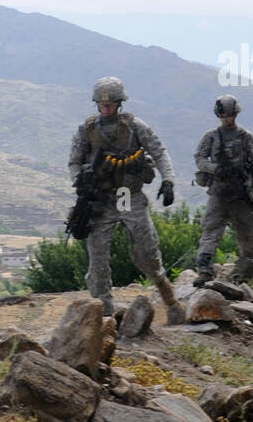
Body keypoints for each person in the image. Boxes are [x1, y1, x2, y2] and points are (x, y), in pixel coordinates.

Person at [67, 77, 184, 321]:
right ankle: (105, 315)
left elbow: (159, 152)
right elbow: (74, 162)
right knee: (98, 260)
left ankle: (169, 298)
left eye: (111, 103)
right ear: (96, 103)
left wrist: (168, 180)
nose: (106, 106)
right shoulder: (87, 129)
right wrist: (80, 179)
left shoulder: (135, 126)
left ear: (120, 102)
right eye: (102, 103)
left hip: (128, 196)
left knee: (147, 253)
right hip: (100, 201)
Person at [192, 95, 253, 286]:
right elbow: (199, 158)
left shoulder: (245, 136)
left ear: (235, 114)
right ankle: (205, 271)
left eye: (229, 115)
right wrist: (215, 169)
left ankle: (250, 268)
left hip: (240, 193)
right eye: (223, 116)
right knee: (211, 230)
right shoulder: (211, 136)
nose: (226, 119)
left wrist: (250, 181)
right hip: (219, 191)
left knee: (247, 232)